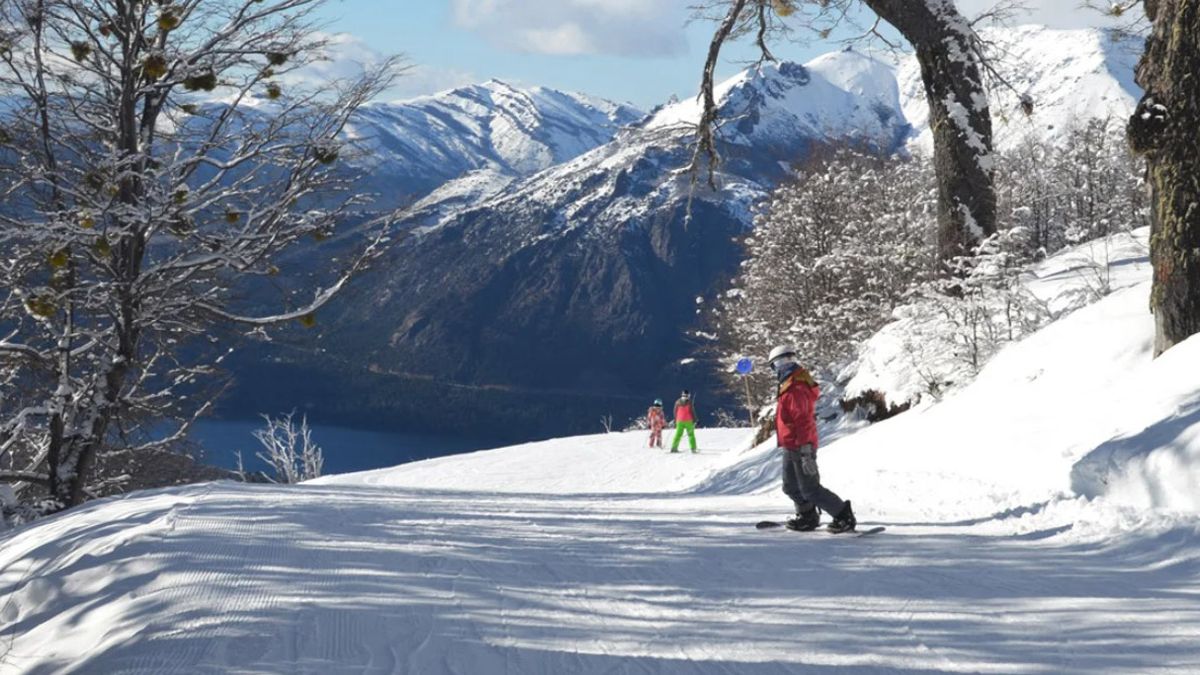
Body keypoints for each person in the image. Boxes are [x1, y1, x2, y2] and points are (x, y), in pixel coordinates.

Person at [768, 345, 856, 533]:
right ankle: (807, 516)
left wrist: (806, 449)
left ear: (783, 362)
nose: (775, 370)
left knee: (809, 488)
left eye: (775, 365)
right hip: (791, 445)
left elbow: (804, 421)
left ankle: (843, 515)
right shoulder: (789, 385)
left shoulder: (796, 388)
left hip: (801, 446)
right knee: (790, 487)